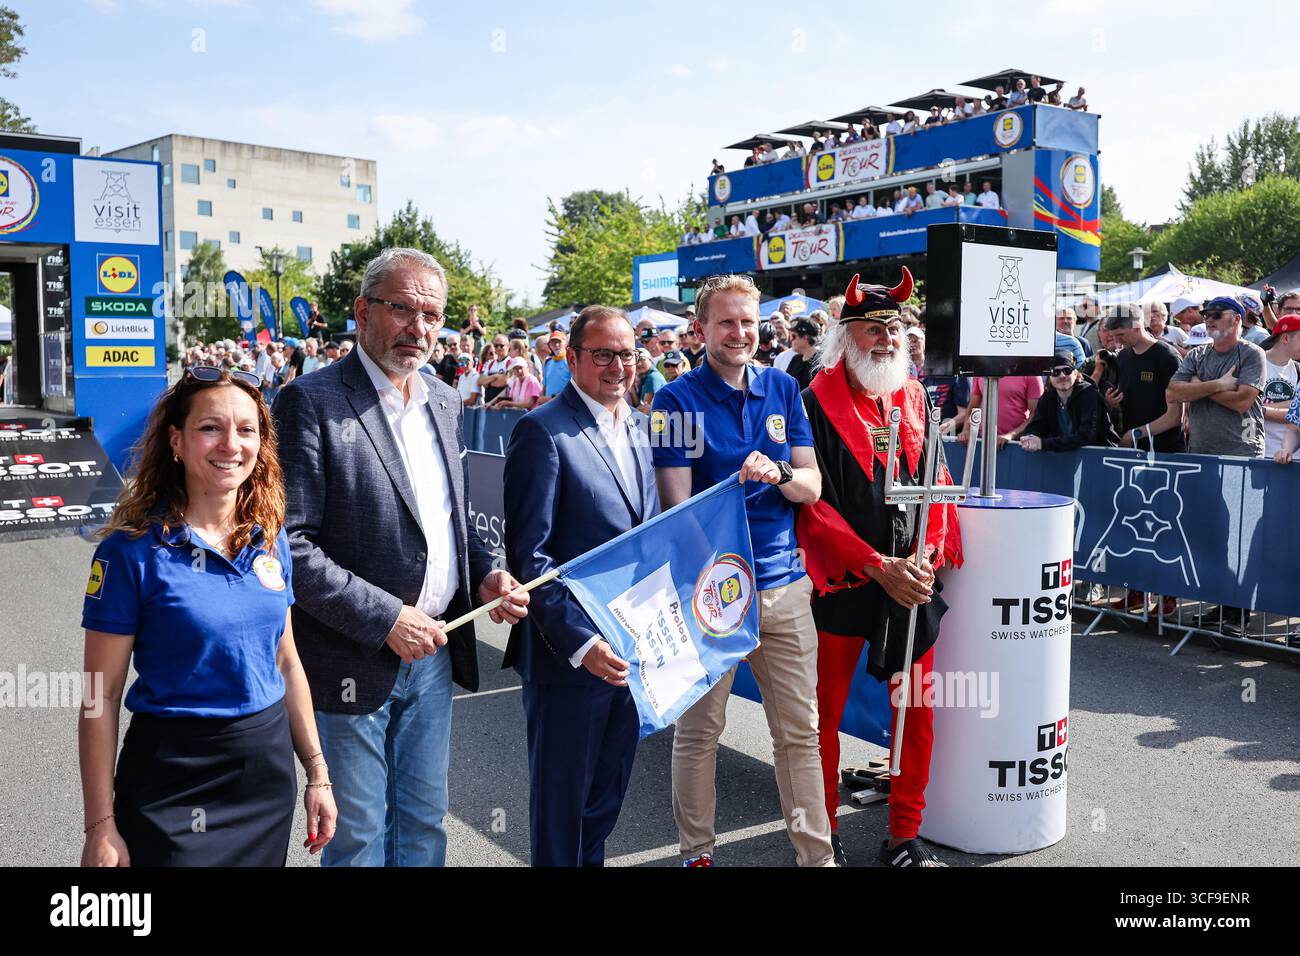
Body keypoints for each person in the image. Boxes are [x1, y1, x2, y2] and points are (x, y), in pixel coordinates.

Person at [272, 247, 530, 867]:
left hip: (434, 655)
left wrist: (489, 569)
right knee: (359, 836)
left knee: (422, 824)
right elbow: (291, 547)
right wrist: (387, 618)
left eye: (432, 314)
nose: (419, 327)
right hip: (350, 657)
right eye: (403, 309)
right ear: (362, 312)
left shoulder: (444, 399)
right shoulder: (308, 401)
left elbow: (455, 517)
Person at [79, 364, 337, 866]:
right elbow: (100, 697)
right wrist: (100, 826)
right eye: (210, 428)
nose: (230, 444)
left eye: (247, 430)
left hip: (264, 775)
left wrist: (318, 774)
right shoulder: (128, 553)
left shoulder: (270, 538)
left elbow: (286, 662)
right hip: (170, 778)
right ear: (176, 441)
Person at [652, 273, 835, 868]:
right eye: (726, 322)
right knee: (701, 733)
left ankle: (817, 858)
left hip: (784, 588)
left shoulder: (785, 387)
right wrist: (725, 569)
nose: (739, 333)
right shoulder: (674, 400)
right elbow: (676, 509)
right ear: (701, 328)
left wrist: (779, 473)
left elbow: (810, 486)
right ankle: (697, 855)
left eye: (748, 322)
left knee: (799, 735)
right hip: (713, 596)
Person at [795, 269, 964, 868]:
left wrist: (925, 557)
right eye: (872, 329)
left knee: (916, 713)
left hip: (911, 582)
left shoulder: (914, 396)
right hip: (842, 583)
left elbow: (938, 485)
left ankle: (903, 836)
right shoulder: (813, 402)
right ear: (846, 337)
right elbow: (813, 509)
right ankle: (822, 834)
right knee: (823, 716)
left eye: (893, 329)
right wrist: (876, 564)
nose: (886, 340)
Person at [502, 306, 658, 867]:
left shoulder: (641, 426)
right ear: (571, 359)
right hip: (569, 657)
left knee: (605, 800)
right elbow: (530, 557)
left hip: (631, 648)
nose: (617, 366)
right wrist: (581, 644)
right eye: (602, 355)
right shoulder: (541, 431)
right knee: (562, 810)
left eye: (626, 354)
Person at [1166, 296, 1265, 638]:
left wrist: (1201, 390)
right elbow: (1174, 393)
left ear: (1236, 319)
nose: (1208, 319)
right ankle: (1222, 603)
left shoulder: (1252, 353)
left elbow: (1242, 401)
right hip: (1202, 454)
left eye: (1216, 314)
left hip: (1241, 453)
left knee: (1240, 537)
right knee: (1213, 533)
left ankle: (1239, 613)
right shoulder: (1196, 354)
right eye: (1206, 314)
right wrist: (1219, 384)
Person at [1020, 351, 1117, 451]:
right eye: (1055, 372)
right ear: (1049, 377)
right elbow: (1037, 426)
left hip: (1101, 456)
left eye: (1067, 370)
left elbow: (1086, 437)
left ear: (1075, 374)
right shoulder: (1048, 398)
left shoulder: (1090, 395)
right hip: (1065, 456)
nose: (1062, 376)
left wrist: (1043, 444)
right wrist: (1029, 438)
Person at [962, 374, 1043, 449]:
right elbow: (973, 406)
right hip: (982, 442)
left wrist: (1010, 436)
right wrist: (966, 430)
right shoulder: (982, 369)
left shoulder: (1031, 373)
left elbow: (1035, 415)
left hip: (1015, 444)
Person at [1260, 313, 1300, 458]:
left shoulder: (1297, 369)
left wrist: (1259, 408)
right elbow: (1243, 403)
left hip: (1289, 456)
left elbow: (1296, 412)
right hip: (1257, 451)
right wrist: (1289, 405)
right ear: (1285, 338)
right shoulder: (1253, 363)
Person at [539, 329, 572, 403]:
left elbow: (573, 388)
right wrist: (541, 398)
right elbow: (544, 386)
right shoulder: (548, 362)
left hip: (564, 404)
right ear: (549, 346)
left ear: (565, 343)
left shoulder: (571, 361)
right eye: (553, 343)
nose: (556, 345)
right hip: (548, 407)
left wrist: (551, 398)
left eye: (559, 342)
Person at [480, 334, 511, 405]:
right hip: (487, 403)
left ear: (508, 346)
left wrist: (488, 382)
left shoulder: (510, 362)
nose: (498, 348)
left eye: (501, 345)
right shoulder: (490, 363)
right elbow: (480, 381)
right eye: (496, 346)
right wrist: (496, 377)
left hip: (501, 405)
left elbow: (504, 381)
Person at [635, 347, 667, 413]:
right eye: (636, 361)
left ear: (650, 360)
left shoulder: (653, 377)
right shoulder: (644, 376)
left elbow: (645, 408)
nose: (639, 364)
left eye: (642, 359)